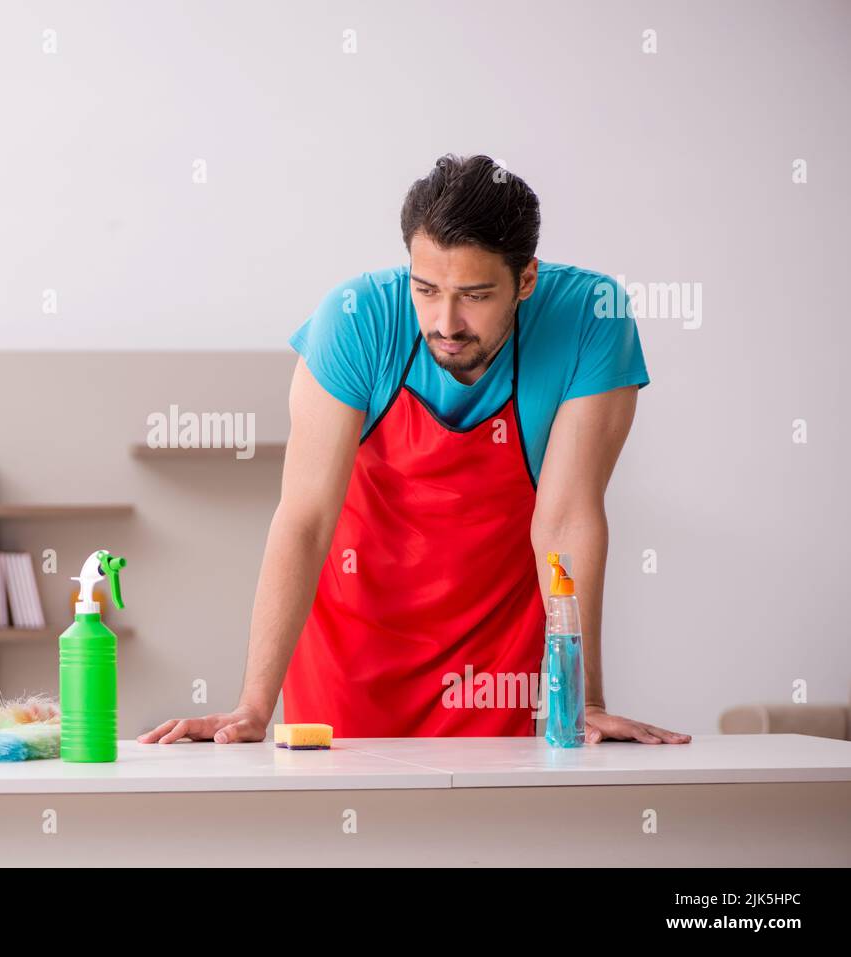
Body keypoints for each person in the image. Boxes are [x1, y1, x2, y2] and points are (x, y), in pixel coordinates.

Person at [141, 154, 690, 746]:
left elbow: (566, 520)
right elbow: (304, 519)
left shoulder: (589, 317)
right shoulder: (356, 320)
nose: (445, 322)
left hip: (494, 660)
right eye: (425, 289)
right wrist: (253, 705)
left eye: (475, 295)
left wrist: (584, 701)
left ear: (525, 280)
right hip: (350, 650)